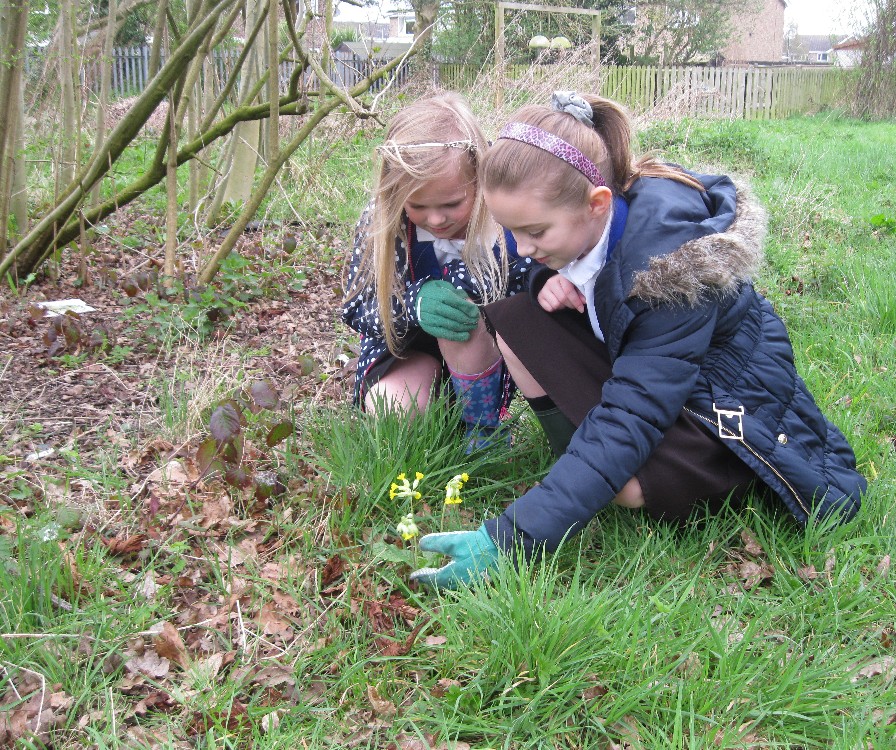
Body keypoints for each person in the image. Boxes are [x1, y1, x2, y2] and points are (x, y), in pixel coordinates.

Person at [410, 92, 866, 589]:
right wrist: (544, 282)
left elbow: (633, 413)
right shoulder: (595, 221)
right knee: (517, 318)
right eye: (512, 232)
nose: (522, 249)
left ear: (596, 204)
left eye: (535, 231)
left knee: (624, 485)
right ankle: (579, 468)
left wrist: (512, 537)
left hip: (717, 409)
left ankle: (641, 478)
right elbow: (591, 287)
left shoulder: (668, 276)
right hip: (657, 377)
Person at [342, 92, 532, 446]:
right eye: (417, 205)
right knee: (396, 413)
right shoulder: (383, 223)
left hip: (483, 346)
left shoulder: (502, 217)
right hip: (405, 347)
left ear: (479, 176)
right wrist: (413, 301)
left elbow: (528, 280)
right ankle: (441, 409)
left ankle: (482, 427)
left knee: (462, 318)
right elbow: (357, 307)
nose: (436, 218)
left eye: (452, 203)